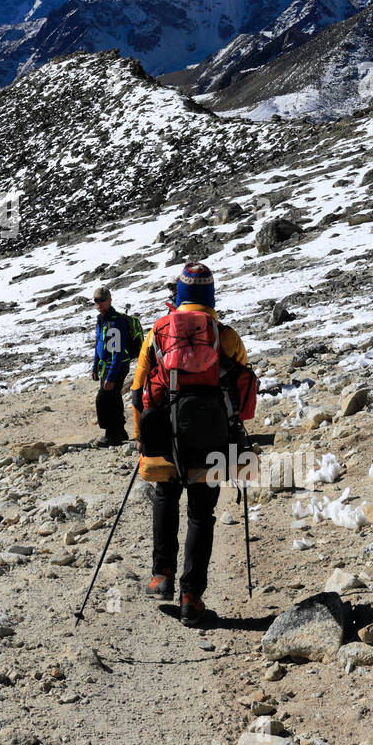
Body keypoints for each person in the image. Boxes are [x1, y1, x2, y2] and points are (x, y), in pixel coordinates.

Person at [130, 262, 254, 626]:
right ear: (211, 296)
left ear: (180, 296)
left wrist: (143, 441)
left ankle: (161, 575)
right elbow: (244, 397)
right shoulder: (225, 336)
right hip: (212, 443)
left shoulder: (158, 331)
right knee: (202, 514)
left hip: (166, 440)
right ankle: (191, 597)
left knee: (165, 497)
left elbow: (139, 392)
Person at [91, 285, 132, 447]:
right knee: (113, 399)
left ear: (109, 300)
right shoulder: (102, 320)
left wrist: (111, 377)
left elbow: (118, 352)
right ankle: (119, 433)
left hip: (116, 367)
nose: (99, 304)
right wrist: (95, 366)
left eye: (102, 300)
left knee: (103, 400)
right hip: (105, 366)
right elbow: (98, 344)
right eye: (96, 301)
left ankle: (111, 435)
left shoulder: (116, 323)